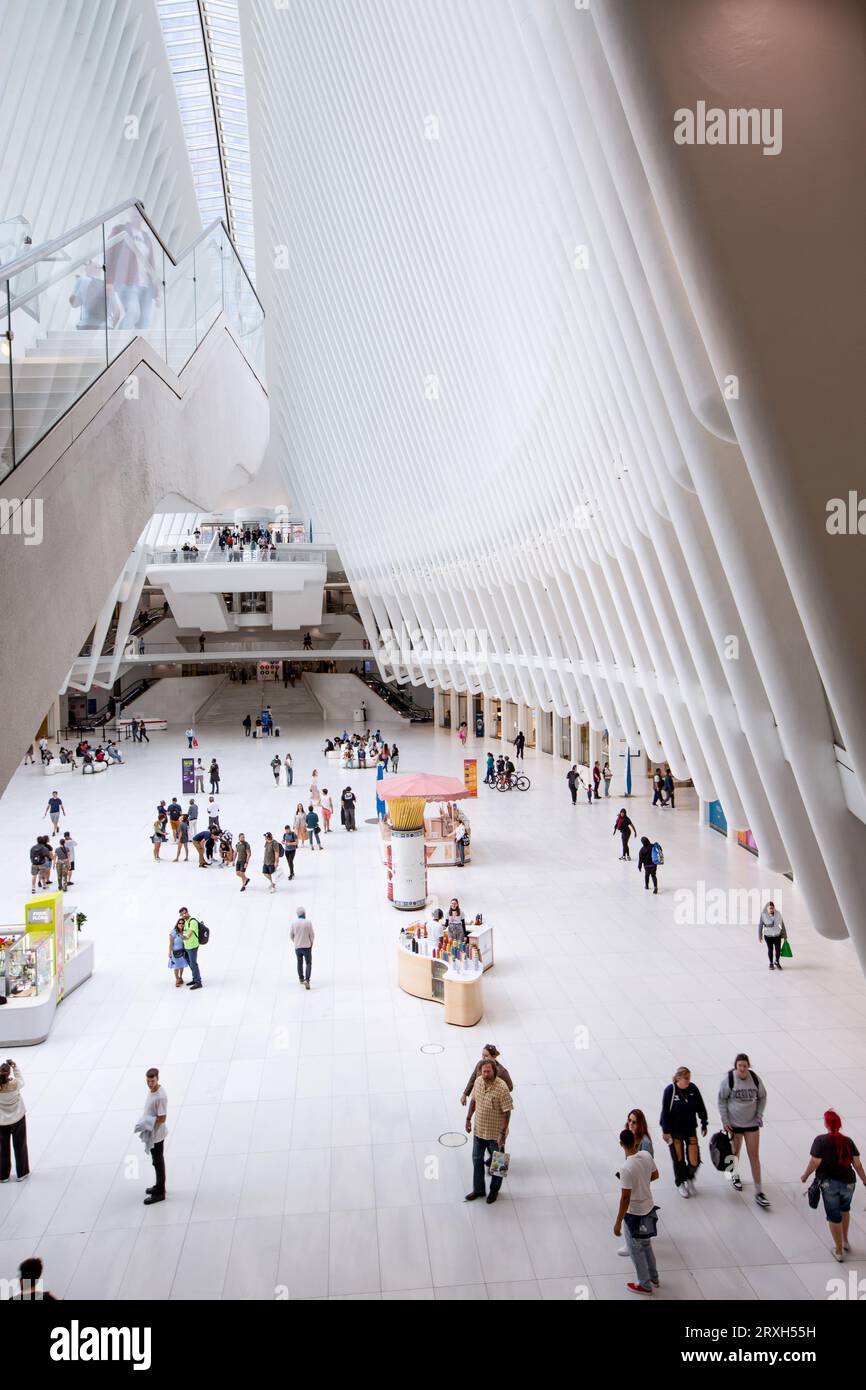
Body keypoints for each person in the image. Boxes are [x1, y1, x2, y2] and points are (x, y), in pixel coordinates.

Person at [801, 1110, 866, 1262]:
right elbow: (857, 1164)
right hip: (849, 1183)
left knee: (833, 1216)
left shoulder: (820, 1141)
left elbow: (815, 1162)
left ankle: (838, 1251)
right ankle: (845, 1241)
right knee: (845, 1209)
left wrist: (805, 1175)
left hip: (829, 1183)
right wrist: (864, 1179)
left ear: (826, 1124)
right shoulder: (848, 1141)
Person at [718, 1053, 770, 1207]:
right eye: (739, 1065)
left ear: (748, 1066)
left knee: (754, 1156)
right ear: (736, 1066)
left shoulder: (754, 1079)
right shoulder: (729, 1079)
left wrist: (760, 1114)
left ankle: (759, 1191)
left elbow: (763, 1096)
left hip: (752, 1124)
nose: (742, 1068)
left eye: (745, 1066)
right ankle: (733, 1175)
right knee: (734, 1152)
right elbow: (721, 1099)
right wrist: (725, 1120)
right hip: (735, 1124)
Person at [613, 1127, 660, 1294]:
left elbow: (625, 1198)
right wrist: (642, 1181)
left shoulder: (626, 1168)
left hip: (634, 1214)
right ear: (635, 1142)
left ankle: (644, 1284)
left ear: (621, 1144)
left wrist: (618, 1222)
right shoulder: (646, 1156)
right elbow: (655, 1175)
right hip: (649, 1208)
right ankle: (654, 1276)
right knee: (647, 1244)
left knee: (635, 1249)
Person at [464, 1059, 513, 1204]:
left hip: (496, 1134)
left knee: (498, 1164)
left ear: (494, 1071)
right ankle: (478, 1190)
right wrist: (468, 1119)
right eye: (483, 1071)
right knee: (477, 1160)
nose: (485, 1074)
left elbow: (507, 1112)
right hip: (479, 1131)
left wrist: (502, 1134)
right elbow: (473, 1101)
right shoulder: (478, 1082)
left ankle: (494, 1191)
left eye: (488, 1071)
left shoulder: (502, 1087)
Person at [660, 1066, 708, 1196]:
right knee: (678, 1158)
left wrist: (704, 1122)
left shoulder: (693, 1089)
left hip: (690, 1129)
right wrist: (665, 1130)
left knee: (694, 1160)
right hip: (674, 1131)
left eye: (689, 1078)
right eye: (686, 1078)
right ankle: (680, 1182)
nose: (688, 1080)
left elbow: (700, 1106)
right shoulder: (670, 1091)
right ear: (678, 1078)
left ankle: (689, 1177)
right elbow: (664, 1111)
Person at [140, 1068, 167, 1204]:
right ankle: (158, 1186)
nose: (150, 1084)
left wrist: (148, 1122)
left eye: (152, 1081)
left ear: (158, 1079)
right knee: (156, 1161)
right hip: (152, 1132)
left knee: (158, 1162)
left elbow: (162, 1118)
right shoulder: (152, 1091)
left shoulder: (160, 1096)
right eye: (148, 1081)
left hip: (157, 1134)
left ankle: (161, 1192)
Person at [0, 1059, 29, 1183]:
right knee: (20, 1146)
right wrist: (15, 1066)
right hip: (18, 1119)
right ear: (9, 1074)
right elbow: (21, 1079)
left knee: (2, 1148)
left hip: (1, 1122)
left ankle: (3, 1176)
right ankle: (21, 1173)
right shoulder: (15, 1084)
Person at [758, 900, 787, 970]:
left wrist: (785, 934)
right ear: (767, 908)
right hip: (768, 936)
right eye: (770, 908)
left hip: (777, 935)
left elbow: (782, 924)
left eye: (772, 908)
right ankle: (771, 963)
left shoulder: (778, 914)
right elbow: (760, 925)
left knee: (778, 950)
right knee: (770, 950)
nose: (771, 909)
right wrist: (760, 936)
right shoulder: (763, 914)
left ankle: (777, 962)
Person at [291, 907, 315, 989]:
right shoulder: (308, 923)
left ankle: (301, 978)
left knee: (299, 962)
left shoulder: (294, 923)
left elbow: (291, 935)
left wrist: (295, 942)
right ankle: (307, 980)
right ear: (304, 914)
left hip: (298, 947)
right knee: (308, 963)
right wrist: (311, 943)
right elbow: (312, 935)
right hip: (307, 946)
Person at [179, 908, 202, 989]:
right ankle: (195, 979)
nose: (184, 915)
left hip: (193, 946)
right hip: (187, 946)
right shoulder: (185, 922)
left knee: (193, 964)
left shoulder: (193, 921)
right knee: (190, 963)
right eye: (182, 914)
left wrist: (183, 936)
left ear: (188, 912)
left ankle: (198, 982)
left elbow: (188, 935)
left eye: (185, 913)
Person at [168, 920, 187, 988]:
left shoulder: (184, 931)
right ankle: (177, 979)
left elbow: (186, 939)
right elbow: (170, 944)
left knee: (181, 965)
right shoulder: (173, 932)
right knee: (176, 966)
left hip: (182, 951)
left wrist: (182, 935)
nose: (181, 924)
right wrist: (169, 952)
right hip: (175, 952)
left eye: (183, 923)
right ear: (177, 924)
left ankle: (180, 977)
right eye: (180, 923)